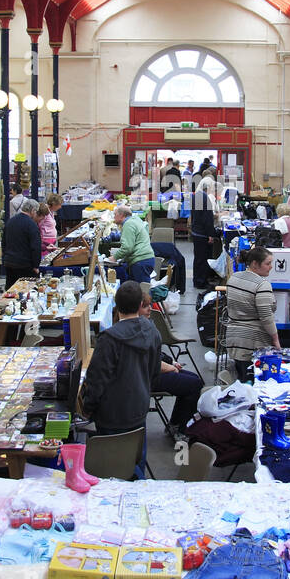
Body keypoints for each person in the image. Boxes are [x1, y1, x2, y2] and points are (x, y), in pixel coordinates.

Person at [82, 281, 162, 478]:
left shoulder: (109, 339)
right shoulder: (152, 331)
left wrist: (87, 408)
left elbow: (97, 380)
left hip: (112, 414)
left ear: (116, 306)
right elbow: (154, 369)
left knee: (112, 469)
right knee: (136, 458)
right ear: (139, 305)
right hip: (139, 407)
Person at [136, 284, 203, 439]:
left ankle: (176, 424)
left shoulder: (145, 324)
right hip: (149, 377)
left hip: (153, 371)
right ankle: (181, 429)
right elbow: (150, 362)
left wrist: (171, 361)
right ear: (136, 308)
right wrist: (168, 367)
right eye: (145, 307)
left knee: (193, 380)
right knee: (194, 385)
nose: (149, 309)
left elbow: (155, 353)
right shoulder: (140, 329)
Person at [224, 246, 281, 382]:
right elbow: (266, 316)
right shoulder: (262, 285)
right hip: (253, 343)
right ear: (255, 264)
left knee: (242, 380)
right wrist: (275, 339)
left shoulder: (233, 278)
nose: (271, 267)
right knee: (253, 384)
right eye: (268, 263)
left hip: (234, 339)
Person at [108, 204, 156, 284]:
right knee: (138, 290)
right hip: (146, 259)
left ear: (121, 215)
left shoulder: (128, 224)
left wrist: (115, 257)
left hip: (140, 262)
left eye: (115, 214)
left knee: (143, 292)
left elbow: (127, 247)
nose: (114, 217)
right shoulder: (135, 220)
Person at [1, 198, 43, 289]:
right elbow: (36, 247)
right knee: (27, 290)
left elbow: (4, 242)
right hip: (25, 264)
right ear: (33, 211)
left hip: (10, 262)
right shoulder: (31, 225)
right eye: (36, 212)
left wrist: (5, 257)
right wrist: (36, 265)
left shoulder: (10, 221)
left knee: (10, 289)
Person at [189, 181, 222, 290]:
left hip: (196, 232)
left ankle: (197, 279)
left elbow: (195, 216)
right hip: (202, 234)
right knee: (203, 259)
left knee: (198, 259)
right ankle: (201, 282)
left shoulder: (196, 196)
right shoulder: (205, 199)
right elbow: (207, 219)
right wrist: (211, 235)